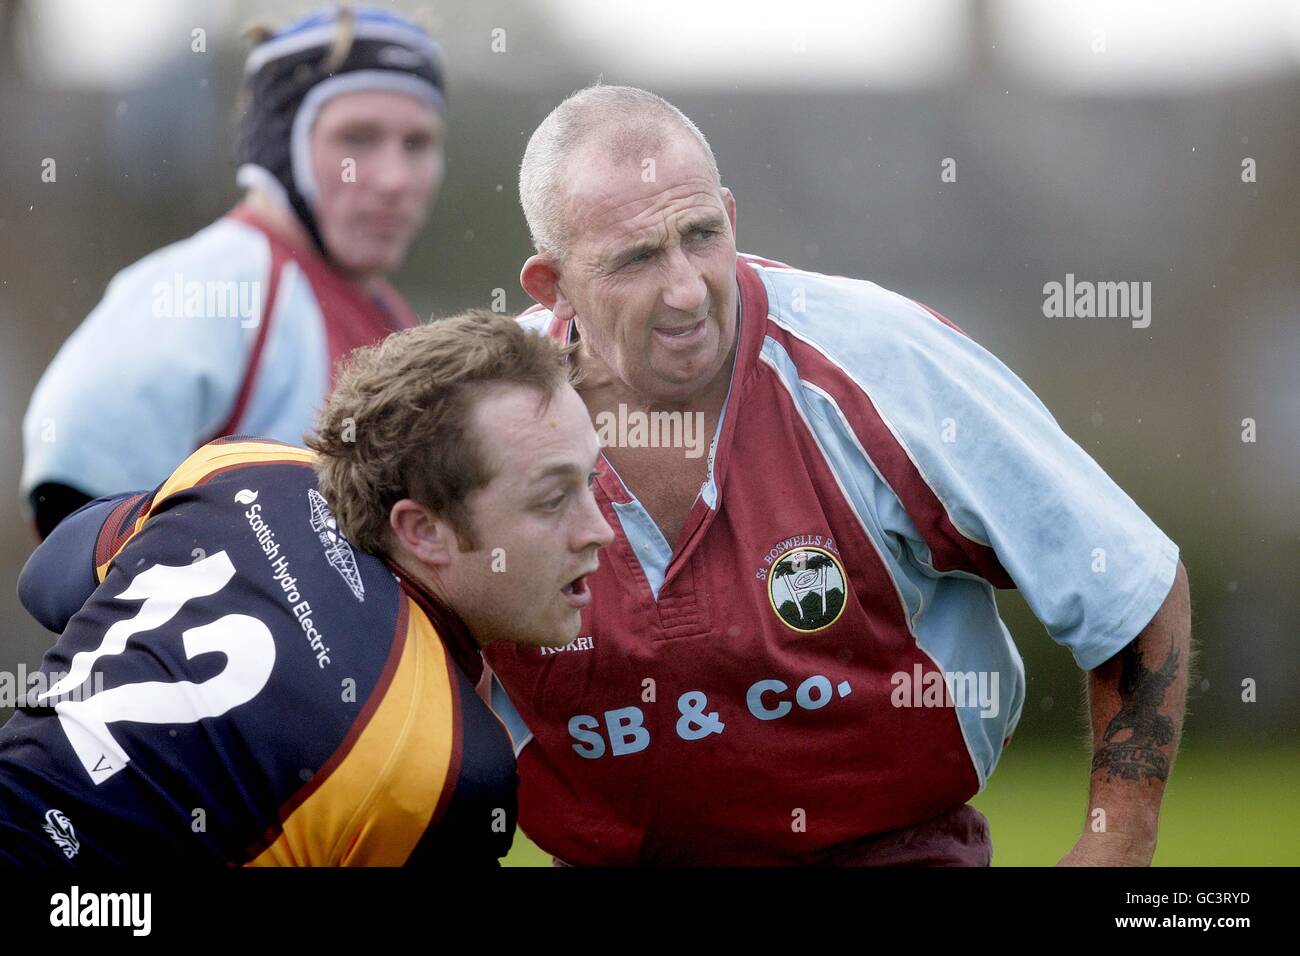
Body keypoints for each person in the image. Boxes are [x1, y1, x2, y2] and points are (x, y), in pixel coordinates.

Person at [482, 84, 1193, 866]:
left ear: (730, 214)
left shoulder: (881, 359)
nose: (685, 289)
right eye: (637, 258)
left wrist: (1117, 845)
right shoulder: (477, 423)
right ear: (551, 285)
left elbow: (1128, 583)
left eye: (700, 234)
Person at [0, 311, 614, 865]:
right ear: (422, 529)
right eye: (553, 499)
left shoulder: (247, 469)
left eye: (593, 479)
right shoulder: (450, 763)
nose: (600, 530)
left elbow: (46, 578)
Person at [21, 5, 447, 539]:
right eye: (356, 138)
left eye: (418, 143)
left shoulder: (388, 311)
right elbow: (71, 492)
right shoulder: (217, 281)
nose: (394, 178)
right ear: (281, 147)